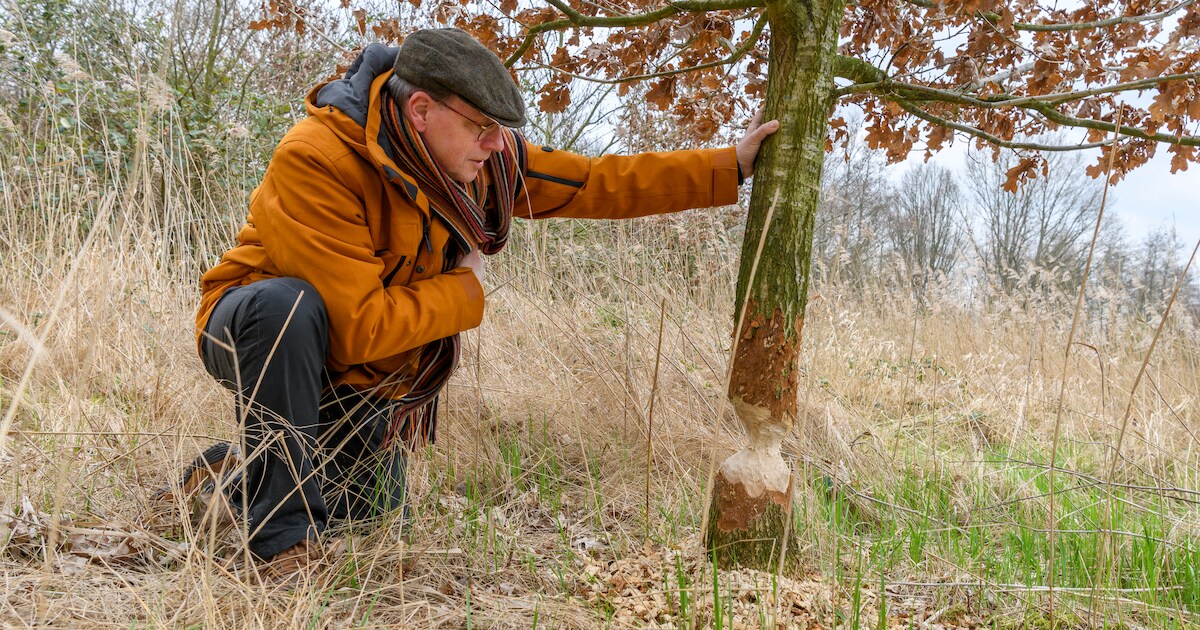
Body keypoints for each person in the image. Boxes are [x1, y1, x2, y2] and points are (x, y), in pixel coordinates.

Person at [159, 27, 779, 579]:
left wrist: (730, 166)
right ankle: (280, 541)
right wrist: (463, 291)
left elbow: (595, 181)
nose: (492, 144)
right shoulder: (317, 158)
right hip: (257, 330)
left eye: (499, 130)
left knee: (368, 519)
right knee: (289, 309)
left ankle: (231, 478)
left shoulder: (484, 162)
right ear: (422, 109)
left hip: (365, 374)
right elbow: (354, 330)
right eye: (480, 127)